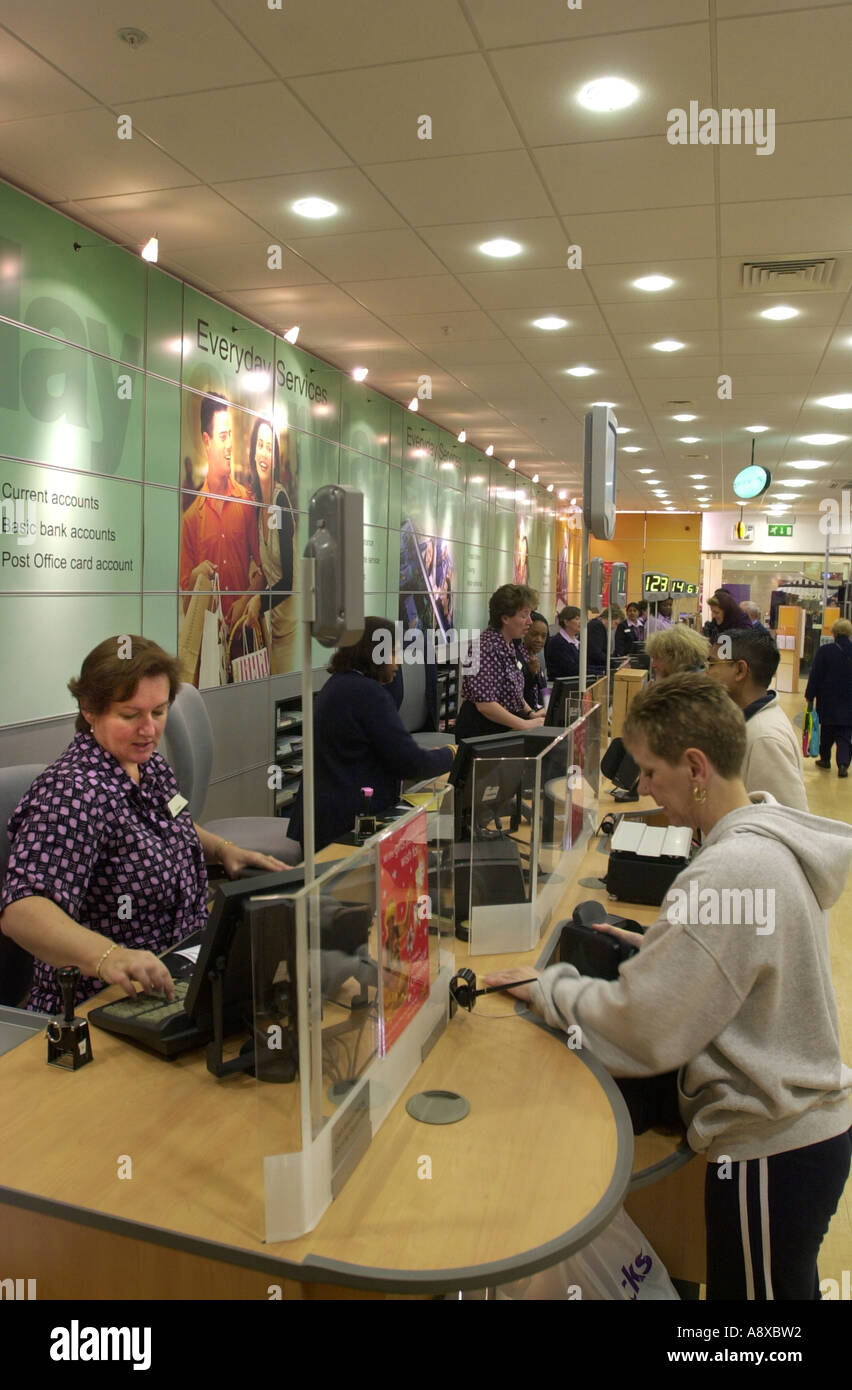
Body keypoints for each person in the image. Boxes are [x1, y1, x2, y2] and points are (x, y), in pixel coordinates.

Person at [485, 673, 852, 1301]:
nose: (644, 787)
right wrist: (669, 949)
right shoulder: (760, 839)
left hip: (772, 1147)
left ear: (696, 766)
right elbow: (735, 963)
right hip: (795, 1139)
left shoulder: (728, 871)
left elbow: (643, 1028)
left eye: (652, 772)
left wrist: (549, 988)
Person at [0, 637, 288, 1016]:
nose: (149, 730)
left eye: (159, 711)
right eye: (130, 715)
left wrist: (222, 849)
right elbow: (22, 911)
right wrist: (109, 956)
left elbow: (174, 823)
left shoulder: (149, 767)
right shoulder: (71, 794)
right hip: (103, 1003)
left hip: (178, 972)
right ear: (89, 710)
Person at [286, 618, 456, 852]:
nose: (399, 661)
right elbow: (411, 764)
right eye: (394, 652)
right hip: (345, 831)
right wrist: (452, 754)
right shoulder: (368, 694)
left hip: (323, 822)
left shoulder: (340, 684)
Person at [179, 395, 261, 631]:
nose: (229, 445)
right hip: (208, 646)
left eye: (231, 436)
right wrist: (196, 575)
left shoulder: (246, 502)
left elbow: (263, 572)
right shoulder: (192, 519)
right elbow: (186, 604)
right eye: (223, 437)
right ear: (207, 441)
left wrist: (244, 601)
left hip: (243, 636)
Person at [707, 629, 808, 810]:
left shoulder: (765, 739)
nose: (707, 673)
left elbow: (785, 822)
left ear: (740, 670)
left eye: (713, 664)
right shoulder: (746, 722)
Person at [243, 417, 298, 676]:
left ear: (275, 458)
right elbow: (271, 566)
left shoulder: (279, 502)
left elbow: (287, 581)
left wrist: (258, 602)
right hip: (273, 629)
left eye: (269, 448)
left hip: (291, 630)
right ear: (253, 451)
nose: (263, 453)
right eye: (260, 445)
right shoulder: (260, 507)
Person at [455, 585, 547, 738]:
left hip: (502, 727)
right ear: (505, 618)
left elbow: (512, 690)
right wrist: (525, 724)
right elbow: (485, 705)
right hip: (481, 732)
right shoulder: (483, 648)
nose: (530, 622)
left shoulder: (508, 644)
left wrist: (530, 714)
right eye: (524, 616)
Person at [805, 617, 852, 778]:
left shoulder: (825, 651)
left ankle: (825, 759)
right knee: (845, 734)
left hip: (828, 698)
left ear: (833, 633)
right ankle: (843, 763)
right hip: (849, 699)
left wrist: (809, 695)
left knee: (827, 730)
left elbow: (815, 675)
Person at [516, 611, 549, 711]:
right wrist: (531, 674)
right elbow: (516, 694)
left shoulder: (537, 658)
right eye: (534, 634)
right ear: (525, 633)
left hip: (539, 713)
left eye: (543, 636)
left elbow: (544, 690)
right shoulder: (516, 657)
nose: (539, 640)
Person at [545, 606, 580, 681]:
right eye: (577, 619)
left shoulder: (575, 641)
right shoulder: (558, 642)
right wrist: (599, 672)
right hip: (561, 686)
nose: (581, 622)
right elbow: (571, 669)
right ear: (566, 622)